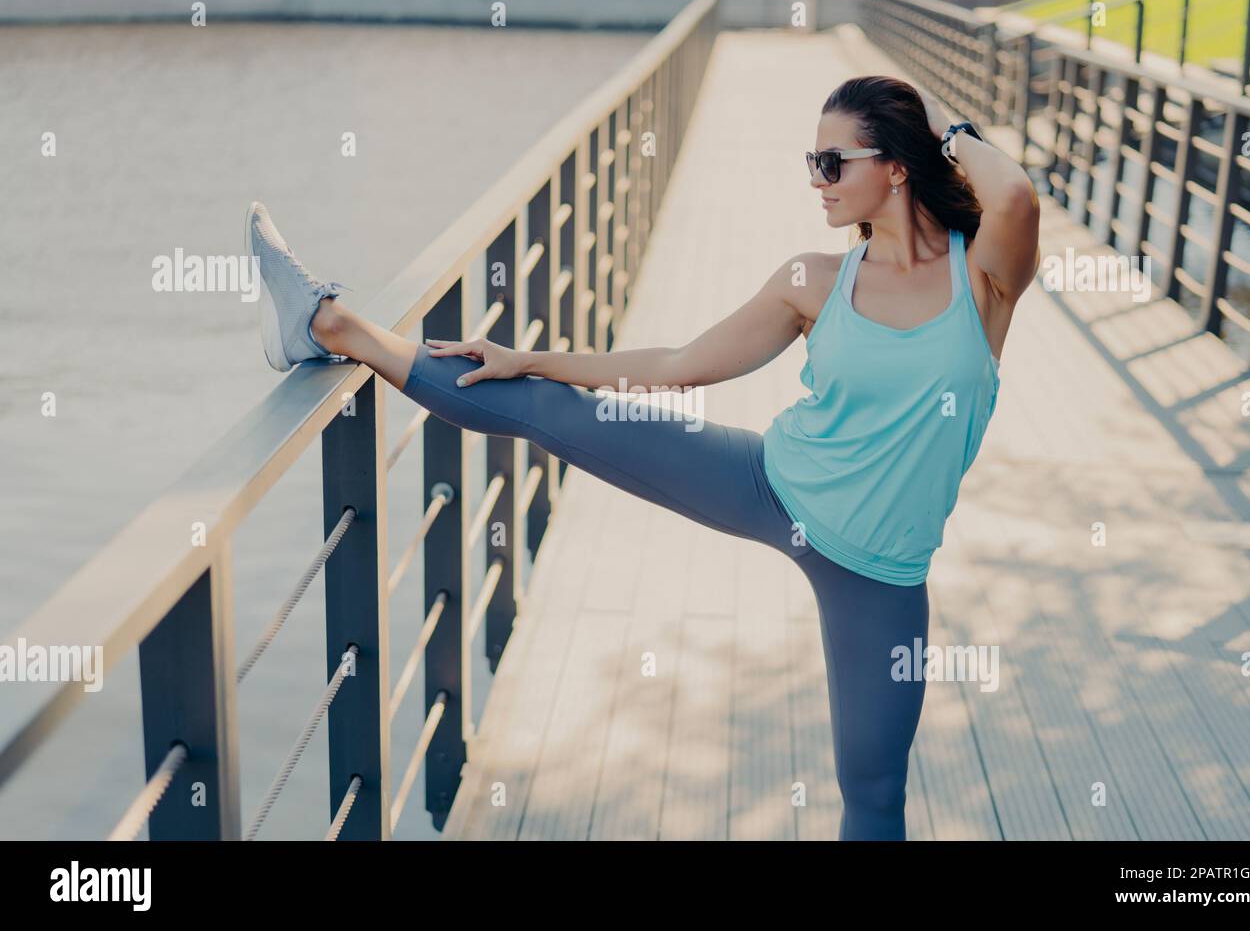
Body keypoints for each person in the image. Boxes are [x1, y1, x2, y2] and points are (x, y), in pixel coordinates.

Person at [247, 75, 1040, 840]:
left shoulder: (984, 275)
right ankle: (329, 323)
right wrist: (536, 357)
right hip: (774, 486)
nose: (817, 181)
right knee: (552, 411)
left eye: (833, 164)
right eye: (811, 162)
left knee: (874, 794)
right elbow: (680, 365)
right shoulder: (814, 281)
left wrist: (944, 126)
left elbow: (1014, 197)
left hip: (883, 571)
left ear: (897, 167)